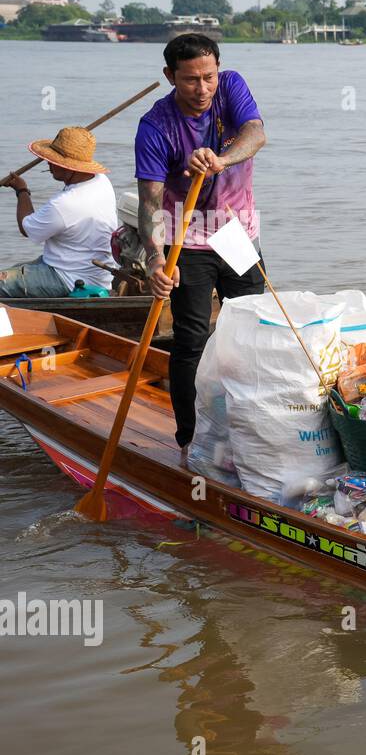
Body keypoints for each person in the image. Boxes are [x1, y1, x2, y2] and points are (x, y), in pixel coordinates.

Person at [134, 32, 267, 461]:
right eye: (190, 80)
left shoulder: (231, 86)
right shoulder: (156, 126)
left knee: (250, 332)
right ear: (170, 76)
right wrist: (155, 260)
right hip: (185, 238)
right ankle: (190, 438)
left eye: (208, 76)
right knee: (191, 339)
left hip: (236, 233)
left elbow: (256, 134)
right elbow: (150, 202)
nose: (202, 89)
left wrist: (223, 160)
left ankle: (252, 428)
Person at [0, 126, 117, 297]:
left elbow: (27, 228)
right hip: (95, 273)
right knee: (13, 271)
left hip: (68, 277)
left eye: (54, 160)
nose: (49, 163)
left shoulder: (65, 203)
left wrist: (22, 191)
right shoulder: (101, 181)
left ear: (70, 167)